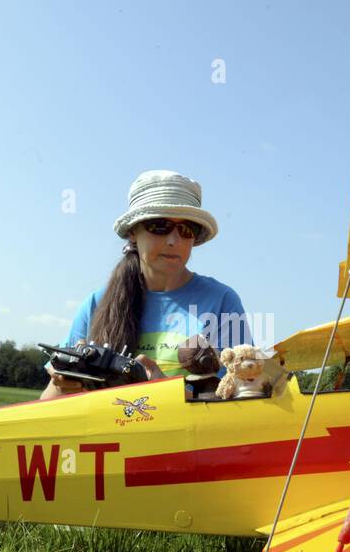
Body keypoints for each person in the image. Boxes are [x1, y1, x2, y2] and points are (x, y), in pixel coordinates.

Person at [41, 169, 253, 399]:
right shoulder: (95, 304)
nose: (174, 241)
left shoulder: (222, 301)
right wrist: (62, 382)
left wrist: (168, 393)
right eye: (159, 226)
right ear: (133, 231)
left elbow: (246, 397)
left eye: (186, 229)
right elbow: (47, 403)